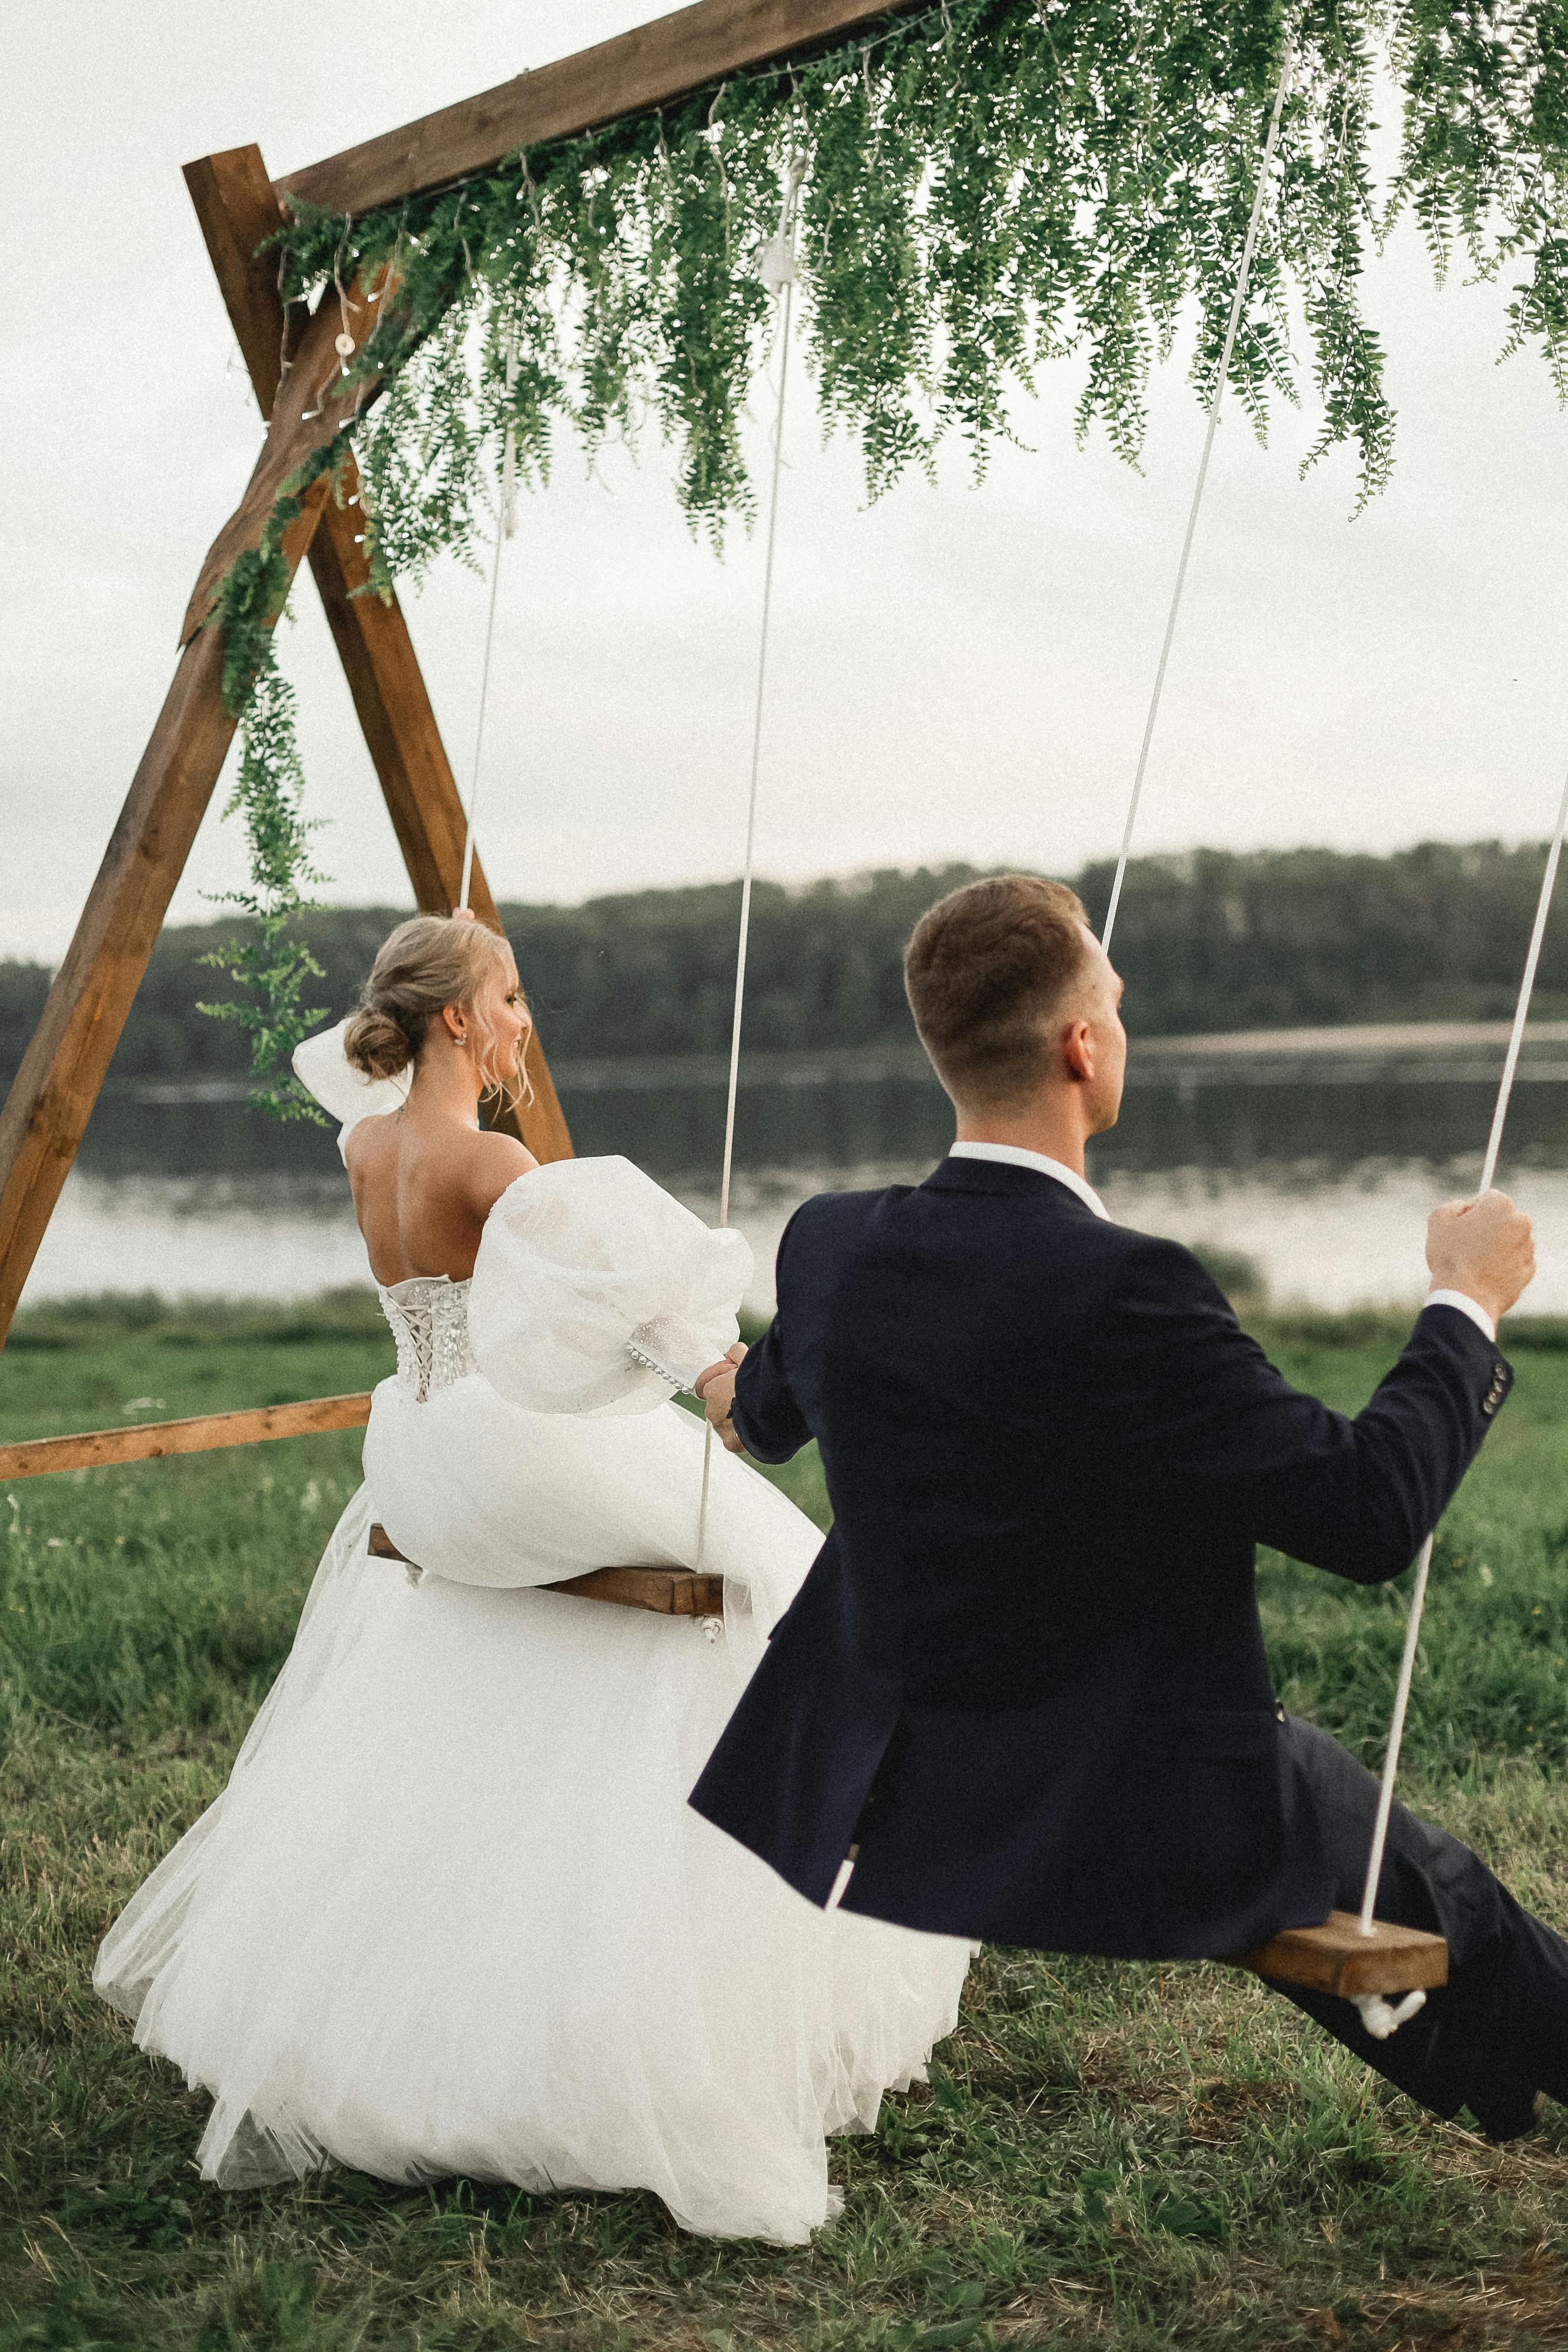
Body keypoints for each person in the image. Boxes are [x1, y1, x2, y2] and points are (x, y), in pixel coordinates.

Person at [95, 912, 971, 2243]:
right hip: (501, 1450)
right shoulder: (491, 1156)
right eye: (507, 996)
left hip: (418, 1444)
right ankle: (732, 1947)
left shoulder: (367, 1140)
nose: (520, 1021)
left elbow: (349, 1072)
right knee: (776, 1565)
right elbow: (614, 1287)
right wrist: (715, 1367)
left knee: (658, 1558)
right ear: (454, 1018)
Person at [690, 872, 1568, 2142]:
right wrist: (1462, 1300)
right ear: (1079, 1046)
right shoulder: (1126, 1287)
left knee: (1380, 1854)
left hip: (905, 1787)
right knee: (1444, 1894)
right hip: (1119, 1799)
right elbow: (1368, 1510)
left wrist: (703, 1365)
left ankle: (1501, 2085)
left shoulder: (831, 1248)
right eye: (1110, 992)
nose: (1120, 1010)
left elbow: (757, 1413)